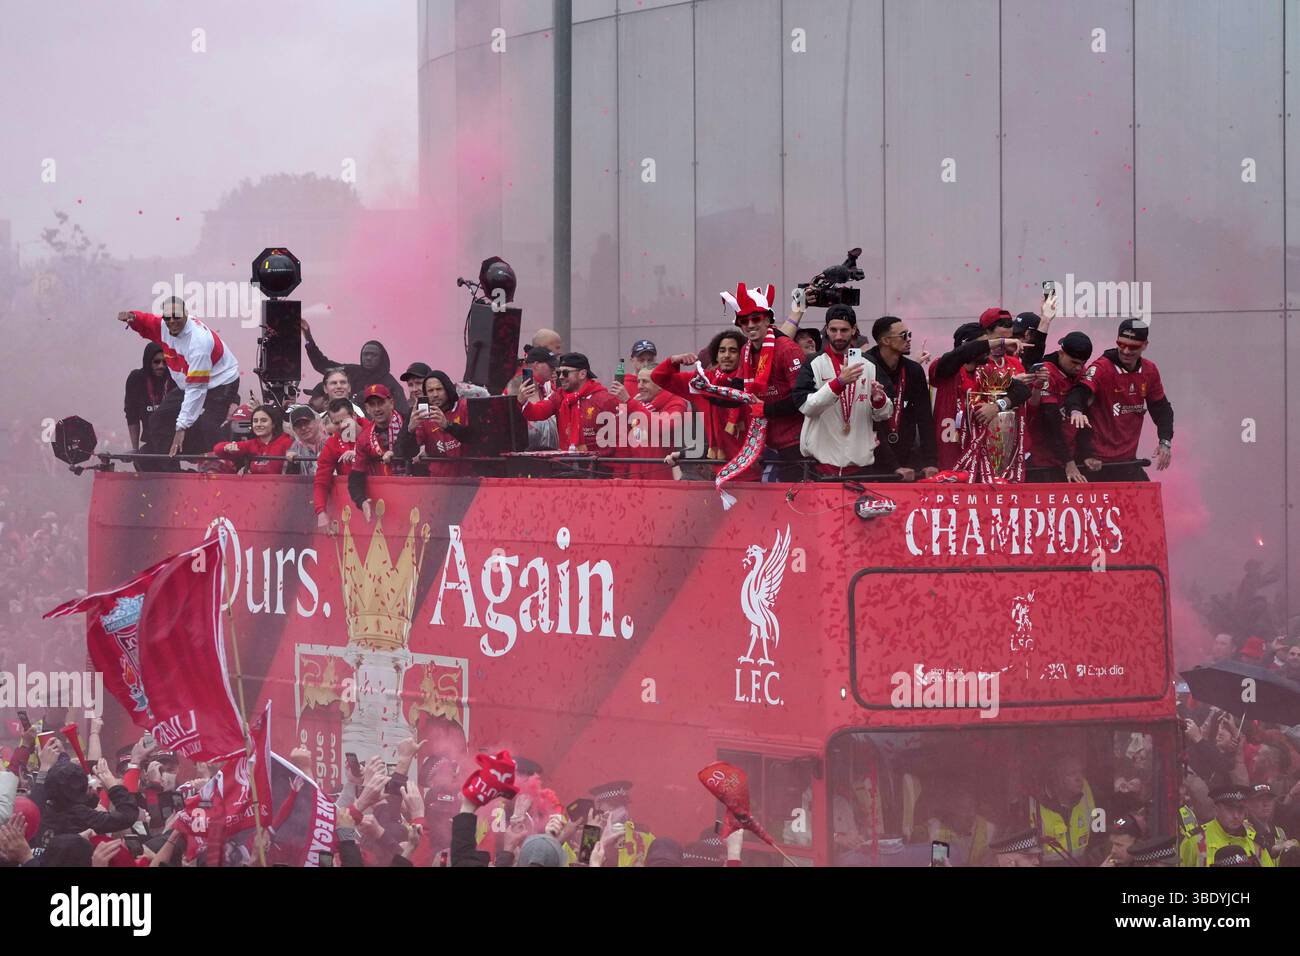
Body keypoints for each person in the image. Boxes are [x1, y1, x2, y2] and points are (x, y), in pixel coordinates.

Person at [117, 296, 241, 466]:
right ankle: (170, 470)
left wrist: (181, 427)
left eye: (177, 317)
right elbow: (149, 322)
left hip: (221, 382)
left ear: (186, 314)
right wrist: (134, 318)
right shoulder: (164, 325)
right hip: (189, 382)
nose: (172, 321)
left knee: (208, 425)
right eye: (167, 317)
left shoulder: (199, 342)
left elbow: (196, 388)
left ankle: (228, 465)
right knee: (158, 420)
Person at [1063, 318, 1174, 482]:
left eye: (1133, 347)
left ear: (1145, 345)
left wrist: (1165, 442)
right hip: (1095, 463)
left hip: (1127, 462)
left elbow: (1162, 409)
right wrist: (1076, 410)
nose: (1126, 351)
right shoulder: (1101, 368)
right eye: (1121, 344)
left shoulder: (1149, 371)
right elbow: (1079, 392)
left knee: (1147, 501)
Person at [930, 308, 1033, 481]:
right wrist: (996, 341)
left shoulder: (986, 371)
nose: (991, 349)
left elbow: (1023, 390)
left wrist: (997, 405)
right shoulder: (943, 369)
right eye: (987, 344)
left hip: (980, 464)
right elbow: (959, 355)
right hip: (950, 461)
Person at [792, 305, 894, 478]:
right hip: (820, 470)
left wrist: (879, 401)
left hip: (861, 469)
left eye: (844, 330)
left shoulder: (869, 364)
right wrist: (838, 383)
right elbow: (805, 406)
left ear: (854, 329)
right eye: (833, 330)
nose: (838, 336)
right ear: (826, 329)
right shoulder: (814, 362)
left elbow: (885, 414)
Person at [721, 282, 806, 482]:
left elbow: (802, 399)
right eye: (744, 321)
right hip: (766, 443)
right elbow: (740, 390)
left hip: (795, 443)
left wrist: (767, 410)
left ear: (768, 319)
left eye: (756, 318)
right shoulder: (746, 350)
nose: (750, 325)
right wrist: (710, 391)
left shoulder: (787, 349)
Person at [652, 330, 760, 482]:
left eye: (733, 351)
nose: (726, 355)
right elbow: (658, 377)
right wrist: (674, 360)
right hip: (718, 474)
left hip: (750, 472)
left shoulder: (753, 382)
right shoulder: (701, 383)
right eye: (722, 351)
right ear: (716, 356)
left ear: (742, 356)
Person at [867, 316, 937, 478]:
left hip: (907, 455)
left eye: (909, 334)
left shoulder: (913, 370)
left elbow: (925, 418)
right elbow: (870, 423)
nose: (909, 339)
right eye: (904, 335)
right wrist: (894, 466)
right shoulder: (867, 366)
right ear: (885, 340)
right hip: (872, 458)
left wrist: (931, 461)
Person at [299, 317, 408, 420]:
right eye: (366, 354)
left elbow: (402, 414)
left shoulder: (391, 384)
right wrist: (308, 338)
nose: (368, 358)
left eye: (373, 355)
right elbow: (322, 365)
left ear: (381, 358)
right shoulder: (352, 371)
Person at [1026, 331, 1094, 483]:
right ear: (1061, 353)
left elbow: (1085, 418)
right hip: (1041, 461)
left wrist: (1087, 453)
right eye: (1074, 362)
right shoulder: (1046, 372)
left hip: (1068, 459)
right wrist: (1068, 462)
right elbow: (1049, 422)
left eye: (1082, 363)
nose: (1079, 368)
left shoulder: (1081, 373)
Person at [518, 353, 620, 454]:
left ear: (582, 374)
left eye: (565, 373)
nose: (561, 377)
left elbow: (620, 440)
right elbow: (536, 413)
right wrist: (523, 401)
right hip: (567, 463)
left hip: (598, 466)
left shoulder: (605, 400)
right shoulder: (559, 396)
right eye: (559, 373)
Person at [396, 371, 471, 478]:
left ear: (447, 389)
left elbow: (475, 438)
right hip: (438, 482)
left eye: (439, 389)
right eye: (430, 391)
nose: (435, 394)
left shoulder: (464, 407)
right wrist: (410, 431)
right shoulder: (423, 416)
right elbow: (407, 454)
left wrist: (448, 426)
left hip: (470, 480)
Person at [348, 384, 405, 515]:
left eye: (381, 403)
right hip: (383, 499)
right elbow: (356, 475)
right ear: (367, 409)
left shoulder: (407, 424)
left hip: (410, 492)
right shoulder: (364, 438)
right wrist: (361, 500)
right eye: (372, 405)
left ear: (391, 403)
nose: (377, 409)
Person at [1028, 753, 1095, 863]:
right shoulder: (1034, 802)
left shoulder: (1085, 791)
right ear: (1057, 778)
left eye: (1080, 772)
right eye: (1072, 773)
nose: (1079, 778)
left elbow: (1099, 831)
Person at [1198, 785, 1275, 866]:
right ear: (1216, 809)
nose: (1236, 816)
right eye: (1230, 809)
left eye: (1240, 809)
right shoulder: (1196, 841)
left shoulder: (1255, 842)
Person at [122, 342, 175, 454]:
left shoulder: (175, 377)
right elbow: (132, 414)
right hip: (151, 441)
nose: (161, 366)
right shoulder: (136, 379)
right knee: (141, 459)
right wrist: (135, 448)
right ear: (148, 361)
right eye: (156, 362)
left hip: (175, 440)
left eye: (165, 362)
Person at [589, 780, 655, 867]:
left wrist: (590, 835)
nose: (622, 812)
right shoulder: (594, 835)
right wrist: (591, 835)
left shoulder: (644, 835)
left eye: (622, 806)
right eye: (615, 807)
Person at [213, 404, 293, 474]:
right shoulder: (251, 444)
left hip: (280, 488)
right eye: (255, 421)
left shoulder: (287, 443)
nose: (258, 424)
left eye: (263, 421)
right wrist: (227, 448)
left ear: (273, 424)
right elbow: (217, 450)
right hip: (254, 489)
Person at [285, 404, 328, 476]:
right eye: (298, 425)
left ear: (315, 421)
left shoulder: (330, 442)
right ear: (294, 429)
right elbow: (289, 478)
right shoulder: (294, 448)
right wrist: (292, 463)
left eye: (306, 423)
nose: (303, 428)